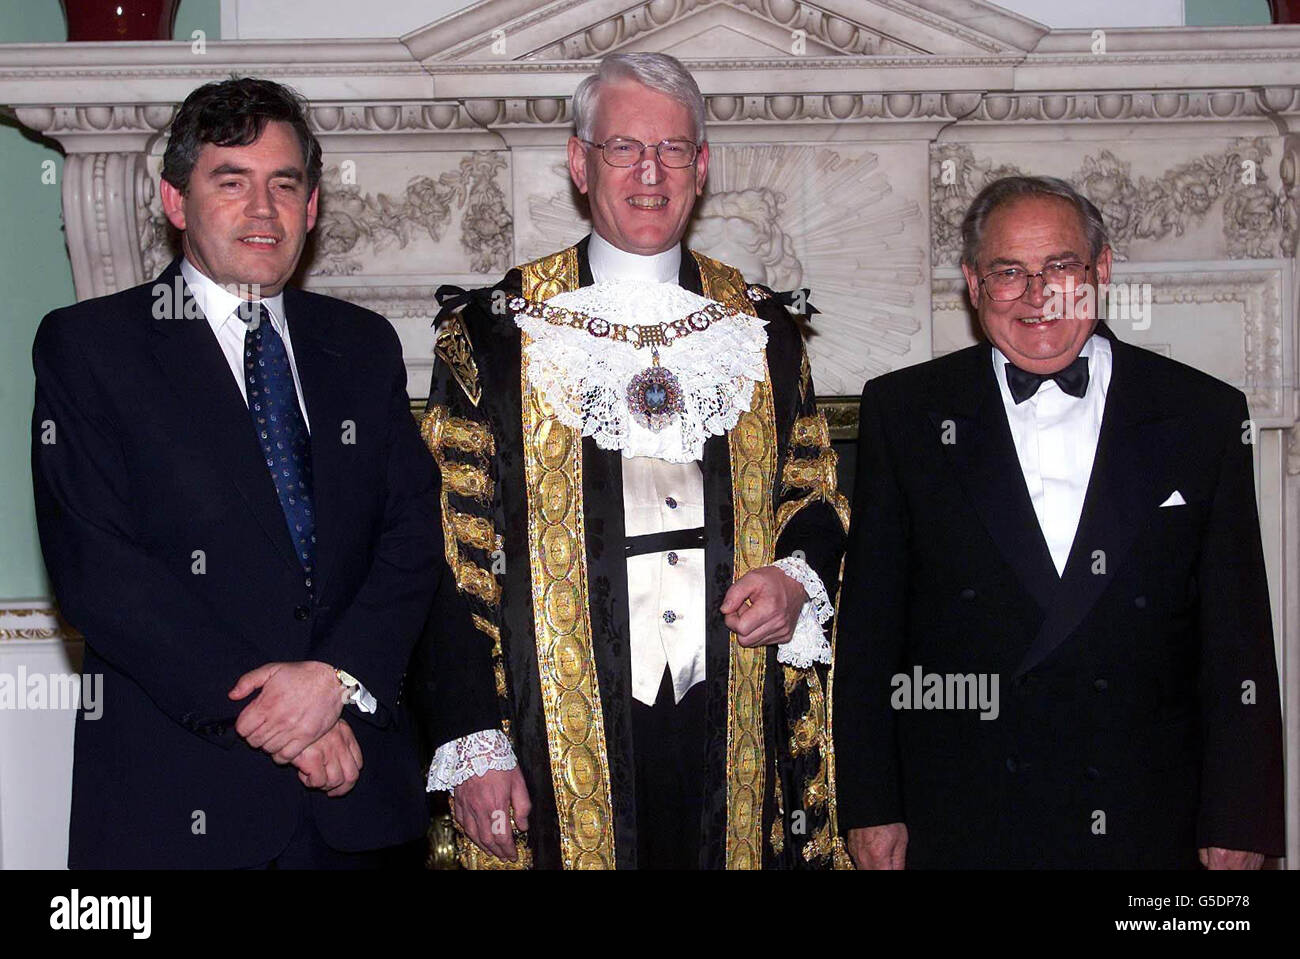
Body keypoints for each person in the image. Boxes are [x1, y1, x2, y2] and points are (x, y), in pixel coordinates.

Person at [31, 77, 498, 869]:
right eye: (231, 182)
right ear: (176, 203)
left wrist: (336, 681)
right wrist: (291, 717)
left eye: (284, 185)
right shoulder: (92, 349)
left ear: (312, 208)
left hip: (362, 811)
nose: (262, 210)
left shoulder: (364, 346)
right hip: (177, 807)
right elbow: (104, 574)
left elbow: (411, 537)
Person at [422, 52, 850, 869]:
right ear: (581, 164)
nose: (650, 173)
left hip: (732, 708)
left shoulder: (764, 329)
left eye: (674, 150)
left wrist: (797, 577)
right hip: (554, 724)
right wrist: (473, 737)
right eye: (624, 148)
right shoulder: (493, 334)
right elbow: (448, 552)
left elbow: (816, 494)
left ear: (703, 166)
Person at [834, 175, 1285, 869]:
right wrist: (870, 804)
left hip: (1150, 815)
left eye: (1061, 267)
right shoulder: (906, 413)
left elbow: (1238, 638)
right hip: (962, 814)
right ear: (973, 283)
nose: (1036, 294)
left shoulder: (1203, 415)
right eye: (1009, 271)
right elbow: (868, 636)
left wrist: (1243, 815)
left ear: (1101, 271)